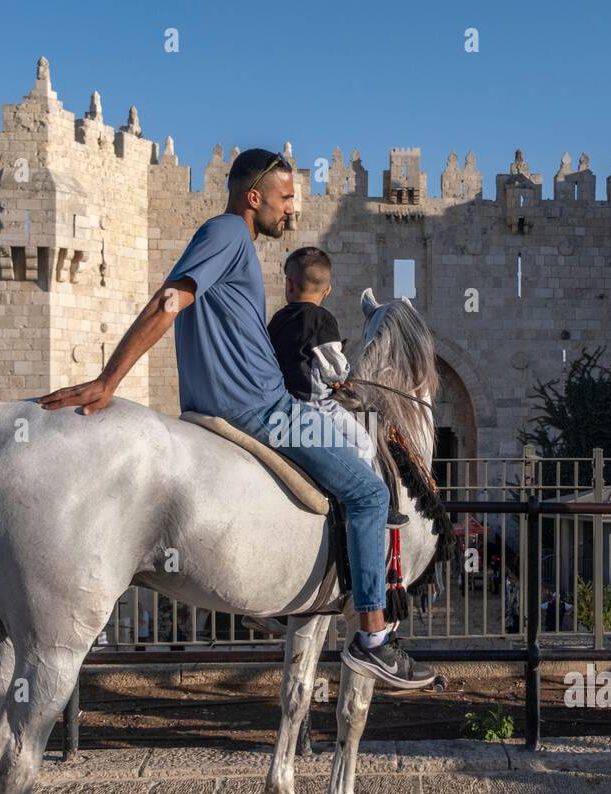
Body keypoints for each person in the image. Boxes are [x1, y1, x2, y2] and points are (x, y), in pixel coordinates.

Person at [37, 148, 433, 689]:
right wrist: (110, 381)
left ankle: (283, 595)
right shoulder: (227, 233)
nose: (291, 211)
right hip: (265, 410)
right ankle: (372, 638)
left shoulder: (232, 243)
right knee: (368, 491)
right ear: (255, 197)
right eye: (286, 198)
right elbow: (169, 301)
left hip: (234, 404)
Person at [266, 245, 407, 527]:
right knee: (362, 443)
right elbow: (334, 366)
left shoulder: (277, 320)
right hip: (316, 405)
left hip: (282, 403)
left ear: (289, 285)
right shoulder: (322, 320)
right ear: (327, 291)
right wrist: (341, 376)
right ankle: (367, 501)